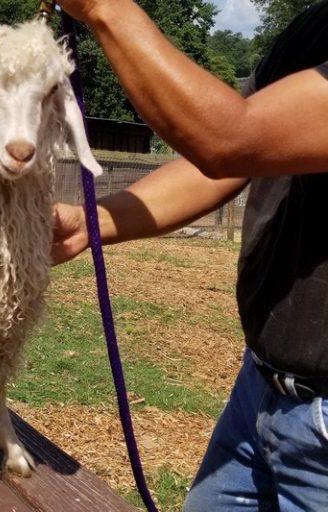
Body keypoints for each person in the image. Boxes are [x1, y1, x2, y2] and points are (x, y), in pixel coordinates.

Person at [53, 1, 328, 510]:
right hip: (260, 389)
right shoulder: (315, 28)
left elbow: (229, 138)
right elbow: (225, 165)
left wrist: (100, 8)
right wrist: (92, 224)